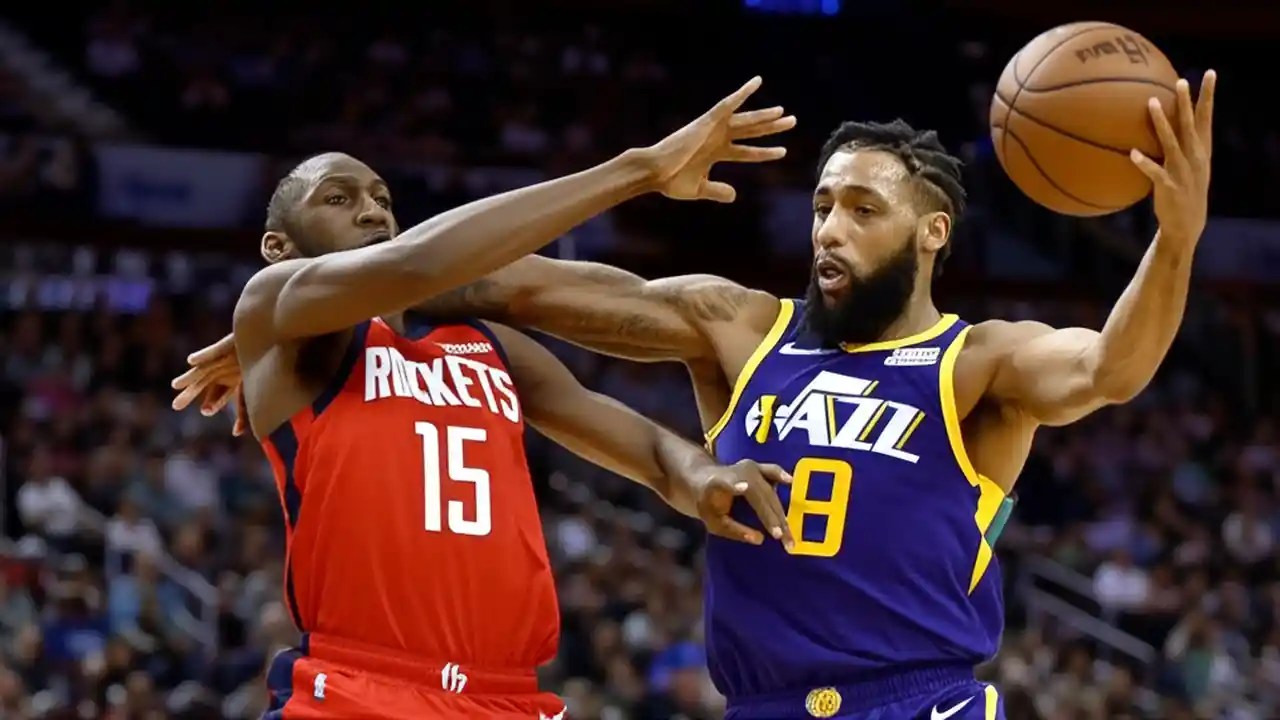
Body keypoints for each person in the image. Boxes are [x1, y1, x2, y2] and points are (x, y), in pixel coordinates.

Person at [176, 72, 1216, 719]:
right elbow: (490, 277)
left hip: (916, 702)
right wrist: (277, 316)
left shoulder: (981, 360)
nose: (827, 230)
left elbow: (1110, 368)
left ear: (931, 230)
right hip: (753, 705)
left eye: (860, 208)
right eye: (817, 206)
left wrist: (1173, 239)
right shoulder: (738, 326)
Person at [191, 78, 802, 720]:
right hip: (357, 689)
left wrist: (703, 475)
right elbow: (416, 266)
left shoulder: (487, 345)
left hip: (509, 695)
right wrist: (639, 169)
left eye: (382, 199)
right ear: (277, 248)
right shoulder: (272, 310)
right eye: (338, 199)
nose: (372, 211)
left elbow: (647, 448)